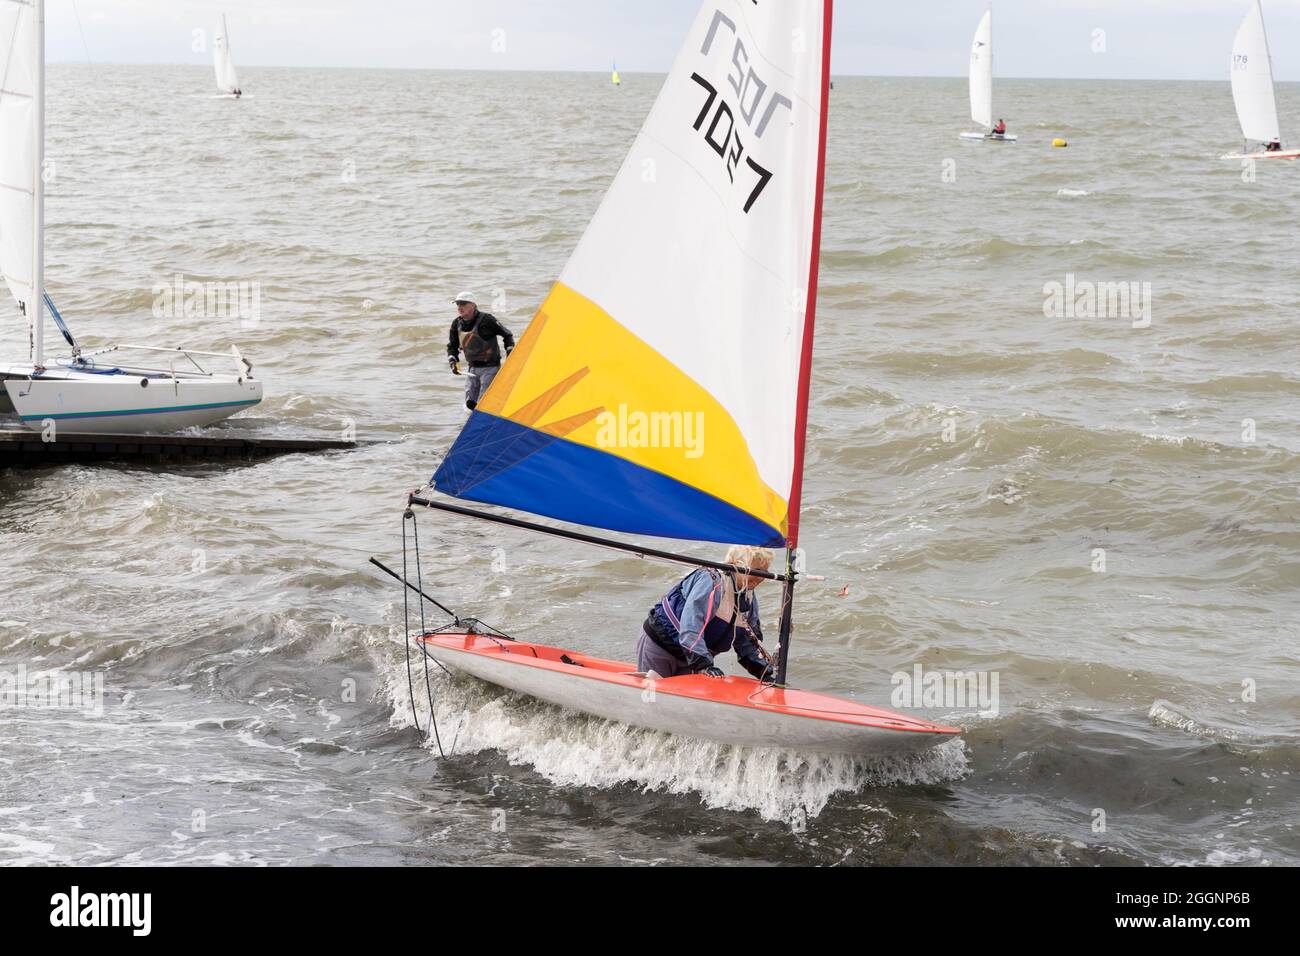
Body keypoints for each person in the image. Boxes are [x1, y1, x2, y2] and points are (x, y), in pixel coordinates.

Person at [637, 545, 776, 682]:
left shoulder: (748, 598)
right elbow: (691, 625)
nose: (761, 578)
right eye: (757, 571)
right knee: (652, 696)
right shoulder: (711, 581)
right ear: (736, 565)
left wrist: (765, 673)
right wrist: (704, 664)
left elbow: (747, 642)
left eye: (765, 573)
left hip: (688, 657)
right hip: (661, 645)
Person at [446, 292, 515, 410]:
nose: (459, 307)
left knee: (483, 405)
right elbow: (452, 346)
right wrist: (453, 362)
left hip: (491, 368)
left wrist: (510, 354)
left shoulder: (487, 320)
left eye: (463, 304)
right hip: (471, 369)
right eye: (457, 304)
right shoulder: (456, 323)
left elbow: (507, 335)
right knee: (469, 405)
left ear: (473, 305)